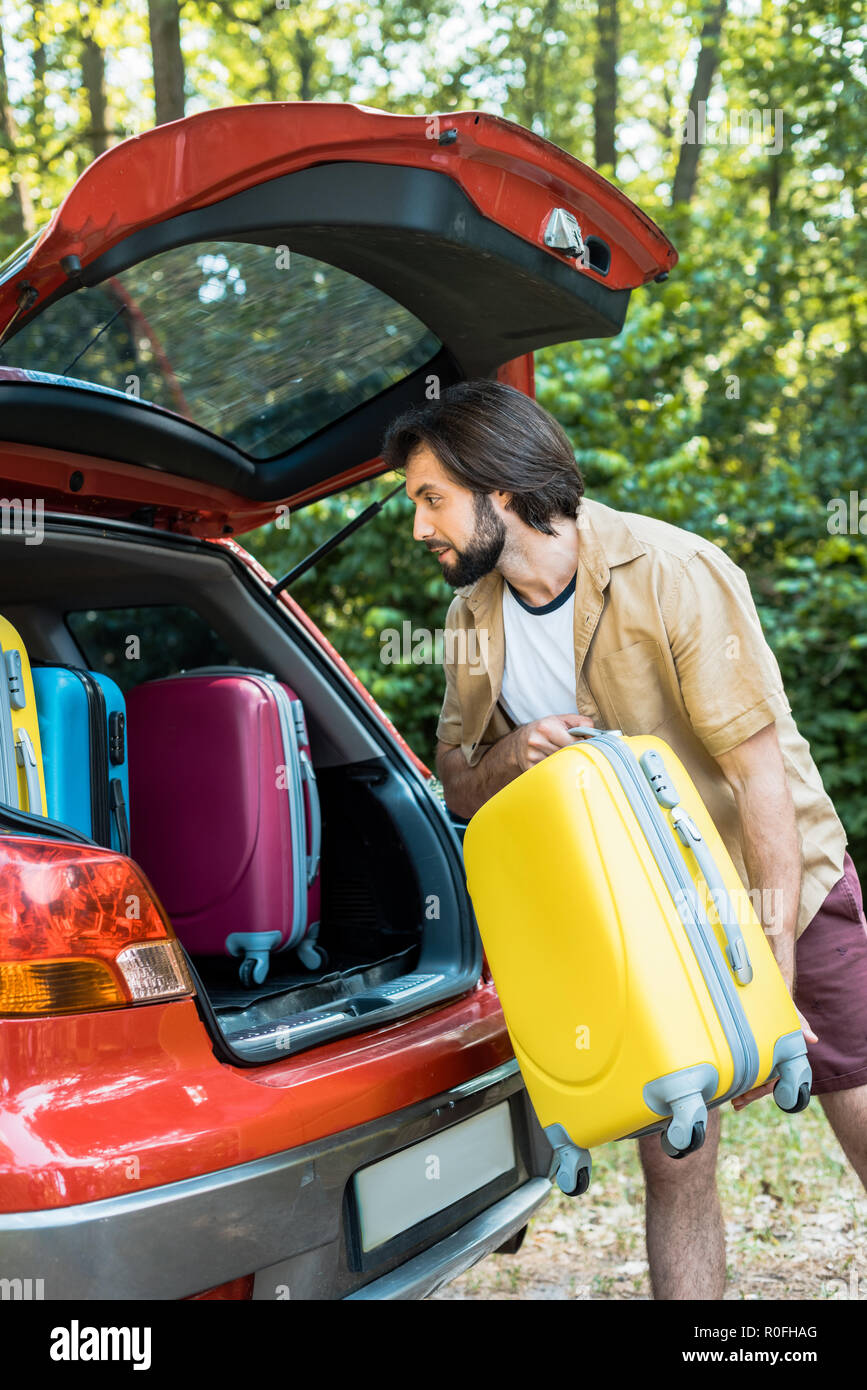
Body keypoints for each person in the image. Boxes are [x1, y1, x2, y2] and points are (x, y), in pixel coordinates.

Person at [381, 377, 867, 1301]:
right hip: (648, 927)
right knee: (675, 1159)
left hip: (777, 887)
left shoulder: (672, 570)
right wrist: (512, 754)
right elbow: (455, 776)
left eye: (430, 498)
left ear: (500, 488)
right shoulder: (468, 619)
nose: (420, 527)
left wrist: (771, 978)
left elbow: (757, 776)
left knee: (860, 1107)